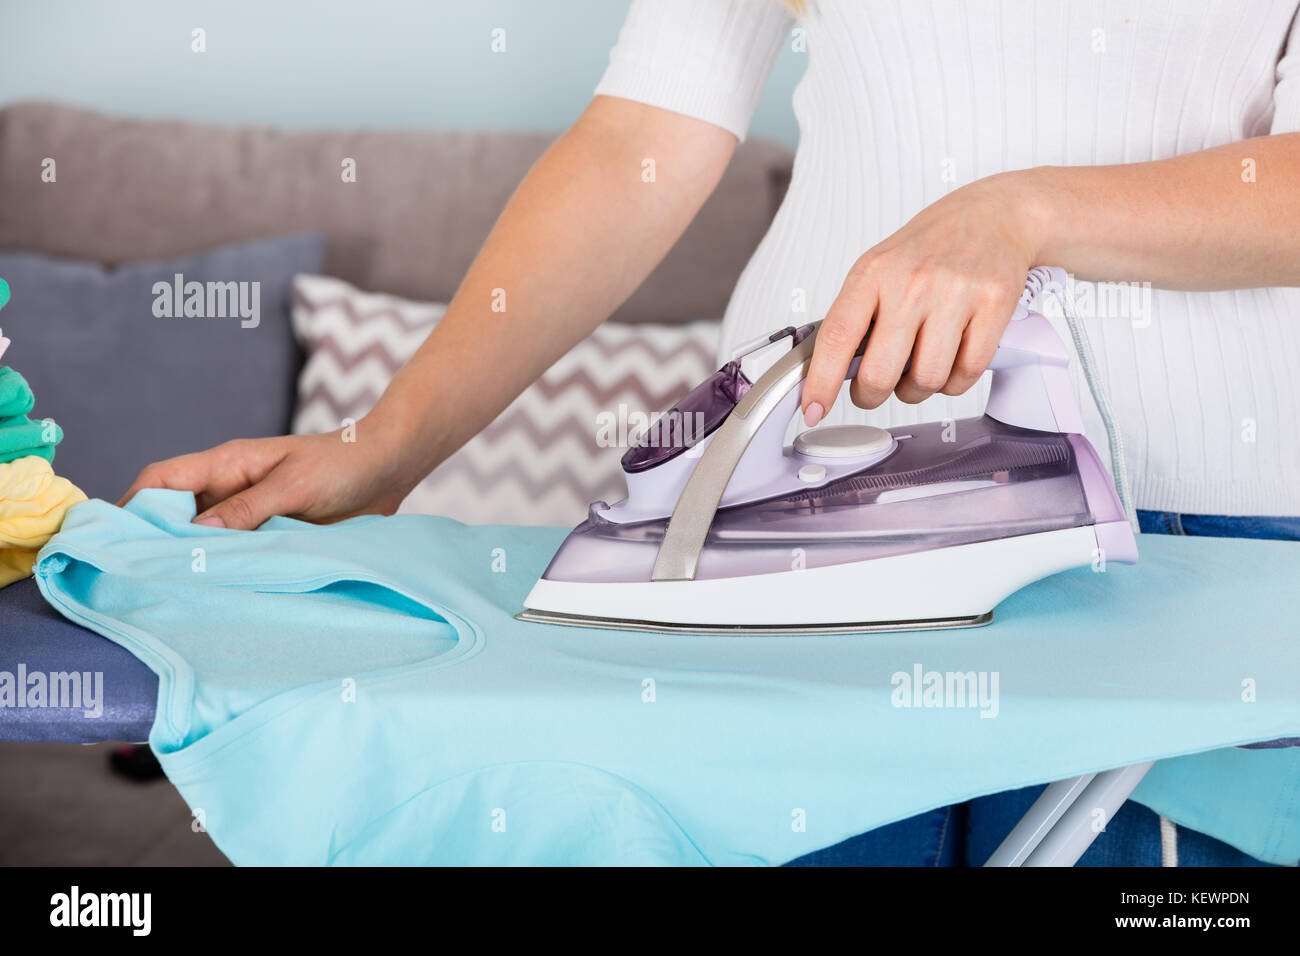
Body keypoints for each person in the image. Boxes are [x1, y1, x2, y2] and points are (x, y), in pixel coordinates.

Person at [121, 0, 1300, 865]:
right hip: (801, 563)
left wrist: (1023, 213)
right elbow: (647, 136)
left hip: (1203, 553)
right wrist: (388, 441)